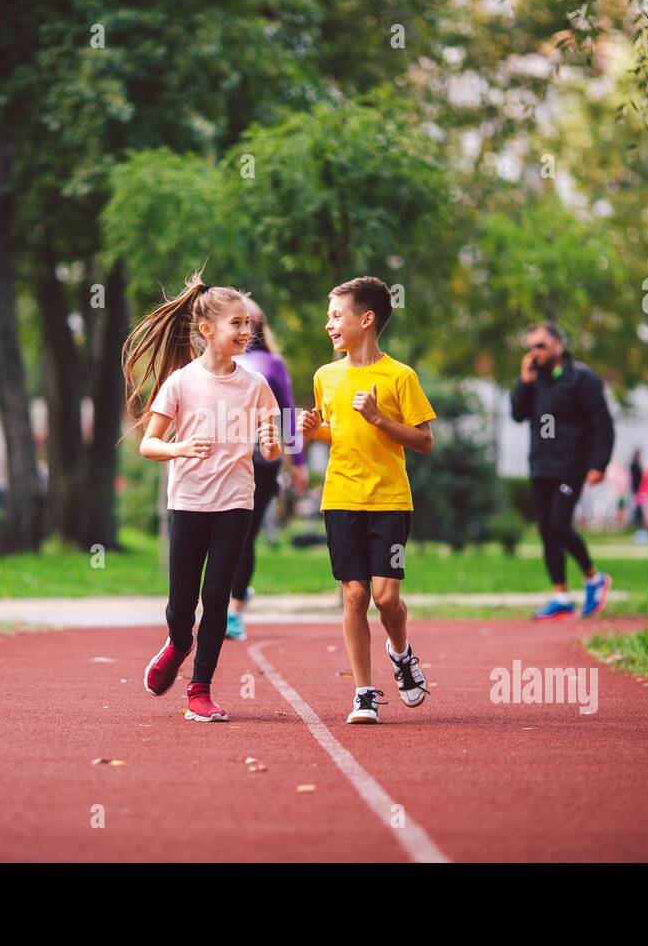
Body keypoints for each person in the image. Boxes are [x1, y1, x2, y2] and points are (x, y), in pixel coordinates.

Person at [124, 274, 281, 722]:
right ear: (207, 329)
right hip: (189, 501)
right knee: (181, 604)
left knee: (217, 597)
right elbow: (148, 445)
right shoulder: (181, 382)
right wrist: (178, 448)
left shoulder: (256, 386)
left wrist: (271, 441)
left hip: (235, 502)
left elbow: (272, 450)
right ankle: (177, 643)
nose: (246, 332)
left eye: (248, 324)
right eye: (237, 323)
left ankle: (200, 688)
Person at [299, 276, 436, 725]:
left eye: (337, 316)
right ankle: (363, 692)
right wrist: (308, 429)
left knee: (385, 597)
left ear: (367, 319)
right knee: (355, 596)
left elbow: (424, 441)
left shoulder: (400, 376)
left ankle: (401, 652)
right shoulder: (326, 376)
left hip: (390, 499)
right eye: (329, 316)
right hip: (340, 496)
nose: (329, 324)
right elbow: (333, 430)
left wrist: (379, 418)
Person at [510, 323, 615, 620]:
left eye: (540, 346)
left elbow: (602, 424)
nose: (534, 352)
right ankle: (561, 596)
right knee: (546, 530)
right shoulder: (535, 380)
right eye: (531, 347)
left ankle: (595, 578)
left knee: (559, 524)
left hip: (571, 466)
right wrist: (524, 382)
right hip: (540, 466)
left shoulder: (582, 379)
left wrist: (599, 464)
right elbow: (517, 414)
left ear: (558, 345)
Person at [226, 299, 309, 641]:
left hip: (261, 463)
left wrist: (299, 463)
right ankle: (226, 598)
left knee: (244, 536)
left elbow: (288, 413)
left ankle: (234, 610)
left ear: (257, 322)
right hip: (223, 461)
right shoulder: (218, 363)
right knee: (222, 536)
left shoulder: (273, 365)